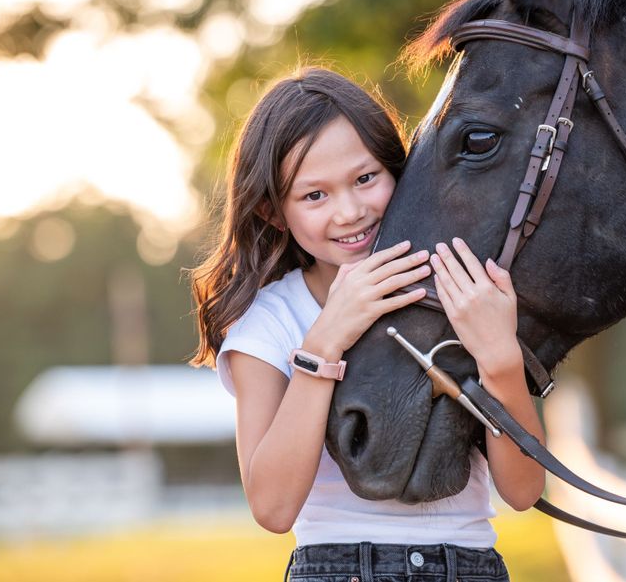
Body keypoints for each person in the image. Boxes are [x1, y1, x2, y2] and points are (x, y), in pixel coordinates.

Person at [190, 67, 546, 582]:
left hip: (468, 563)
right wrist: (326, 338)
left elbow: (523, 491)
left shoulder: (454, 287)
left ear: (401, 170)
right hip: (338, 566)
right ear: (273, 212)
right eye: (315, 196)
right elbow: (272, 508)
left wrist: (500, 358)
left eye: (365, 178)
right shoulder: (269, 323)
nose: (351, 211)